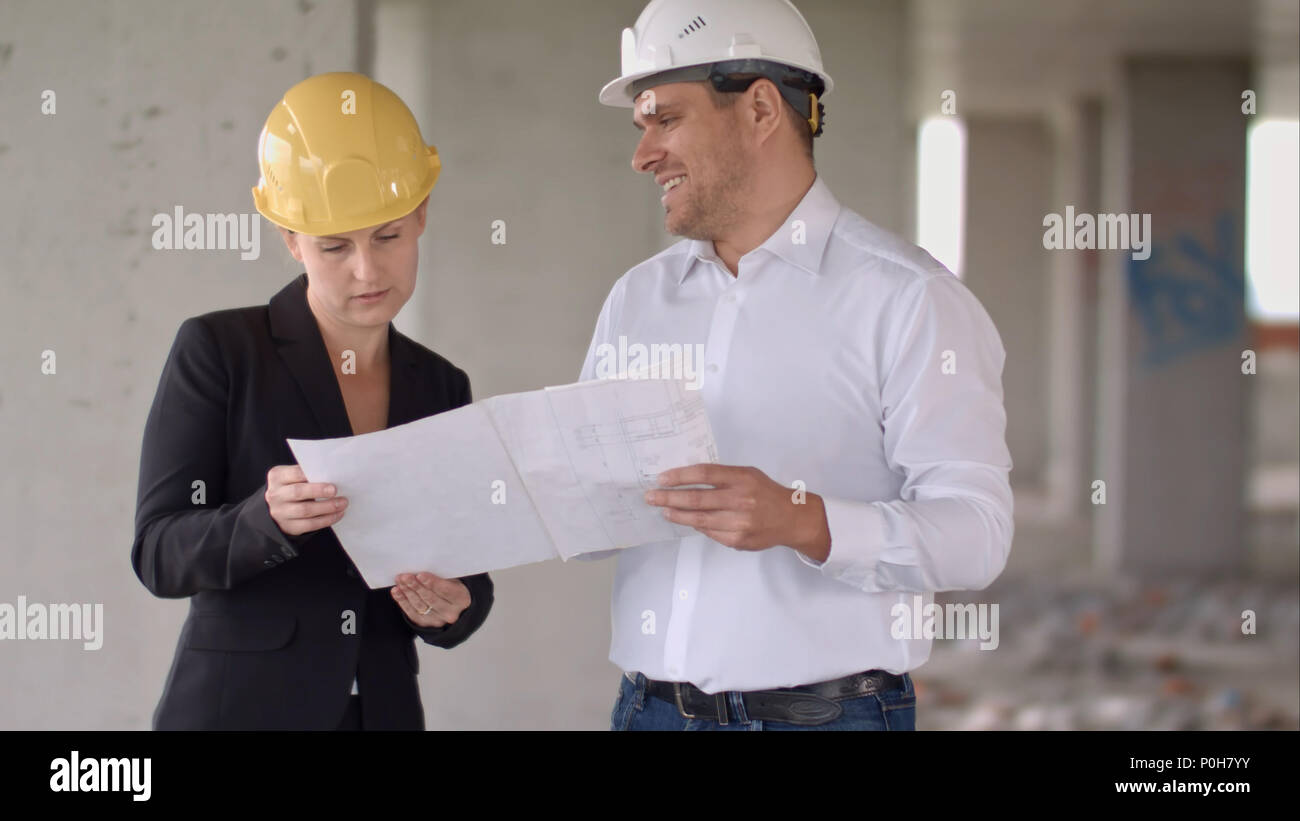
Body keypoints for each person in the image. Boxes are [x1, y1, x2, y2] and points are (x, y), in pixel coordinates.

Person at [582, 0, 1014, 730]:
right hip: (647, 710)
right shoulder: (637, 301)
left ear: (758, 111)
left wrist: (802, 520)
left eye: (667, 119)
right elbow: (592, 500)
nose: (643, 153)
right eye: (641, 126)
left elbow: (977, 533)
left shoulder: (910, 300)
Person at [132, 72, 493, 730]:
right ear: (290, 240)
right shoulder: (220, 350)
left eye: (388, 237)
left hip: (381, 712)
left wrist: (452, 606)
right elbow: (158, 551)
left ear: (421, 216)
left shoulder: (441, 385)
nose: (367, 270)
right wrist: (264, 520)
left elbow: (466, 572)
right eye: (334, 247)